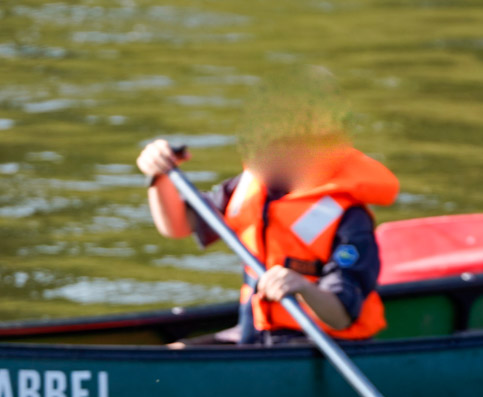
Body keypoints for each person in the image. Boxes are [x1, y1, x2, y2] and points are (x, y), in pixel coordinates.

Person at [136, 113, 399, 344]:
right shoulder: (251, 187)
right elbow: (177, 226)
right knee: (175, 354)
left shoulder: (349, 219)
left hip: (324, 343)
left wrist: (303, 287)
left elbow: (340, 318)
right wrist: (159, 176)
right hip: (256, 334)